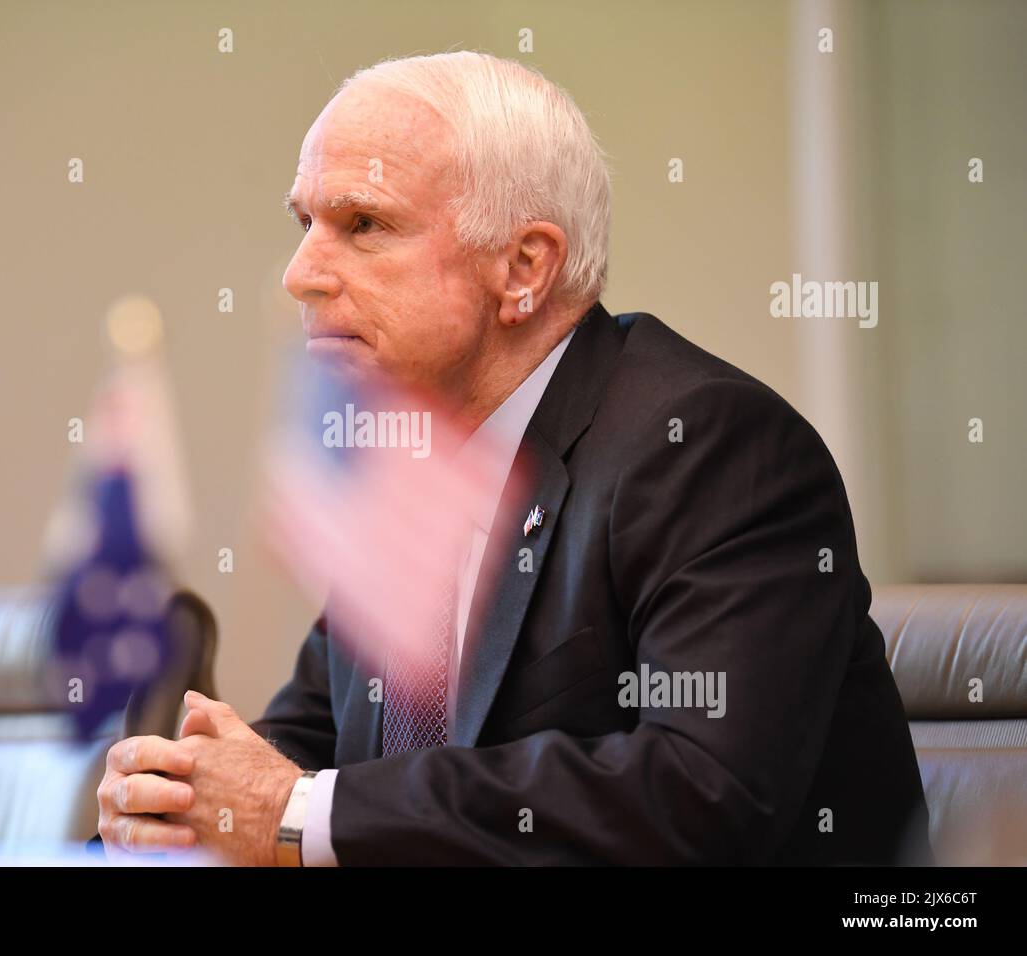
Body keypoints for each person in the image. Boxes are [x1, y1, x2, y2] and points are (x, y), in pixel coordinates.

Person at [95, 51, 931, 866]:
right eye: (303, 223)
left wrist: (295, 812)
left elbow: (700, 792)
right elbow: (307, 753)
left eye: (363, 224)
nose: (301, 273)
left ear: (525, 268)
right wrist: (185, 800)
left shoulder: (708, 447)